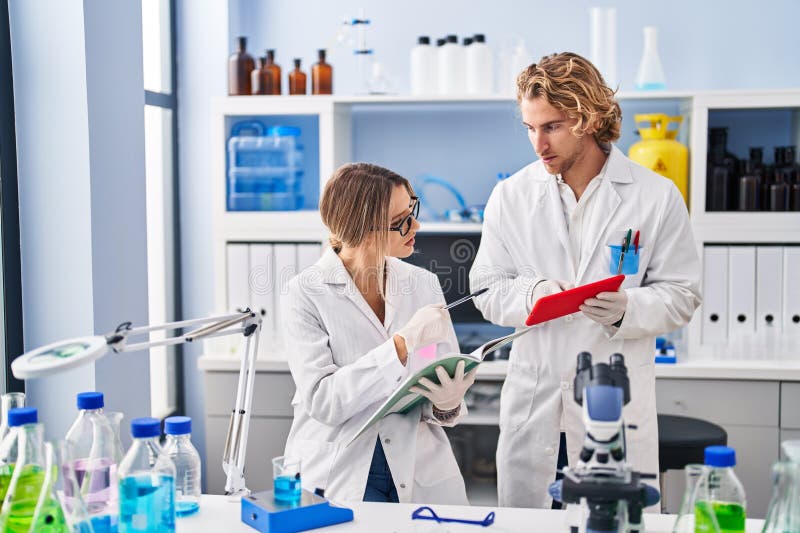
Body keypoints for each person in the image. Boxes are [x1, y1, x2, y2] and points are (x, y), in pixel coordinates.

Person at [469, 52, 702, 508]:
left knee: (610, 519)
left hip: (611, 402)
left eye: (552, 126)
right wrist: (533, 293)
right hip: (536, 399)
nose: (539, 144)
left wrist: (628, 309)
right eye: (530, 128)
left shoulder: (654, 196)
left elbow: (683, 294)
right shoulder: (511, 195)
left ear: (590, 118)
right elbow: (486, 288)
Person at [282, 162, 476, 504]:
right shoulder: (304, 293)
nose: (416, 224)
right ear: (364, 231)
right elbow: (324, 401)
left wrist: (447, 402)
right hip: (341, 465)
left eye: (411, 210)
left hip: (419, 464)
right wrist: (400, 346)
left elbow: (435, 365)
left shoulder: (423, 283)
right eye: (401, 221)